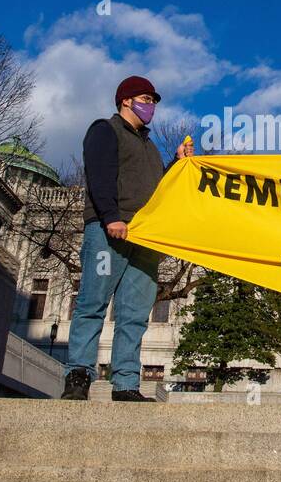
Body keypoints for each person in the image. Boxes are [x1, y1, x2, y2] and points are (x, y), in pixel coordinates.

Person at [61, 76, 192, 402]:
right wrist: (111, 216)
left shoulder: (149, 147)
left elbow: (157, 189)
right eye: (146, 99)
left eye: (153, 102)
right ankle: (78, 374)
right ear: (125, 100)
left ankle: (125, 382)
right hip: (110, 230)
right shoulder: (105, 129)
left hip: (145, 237)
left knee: (134, 313)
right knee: (92, 303)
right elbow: (99, 174)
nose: (151, 107)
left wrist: (177, 162)